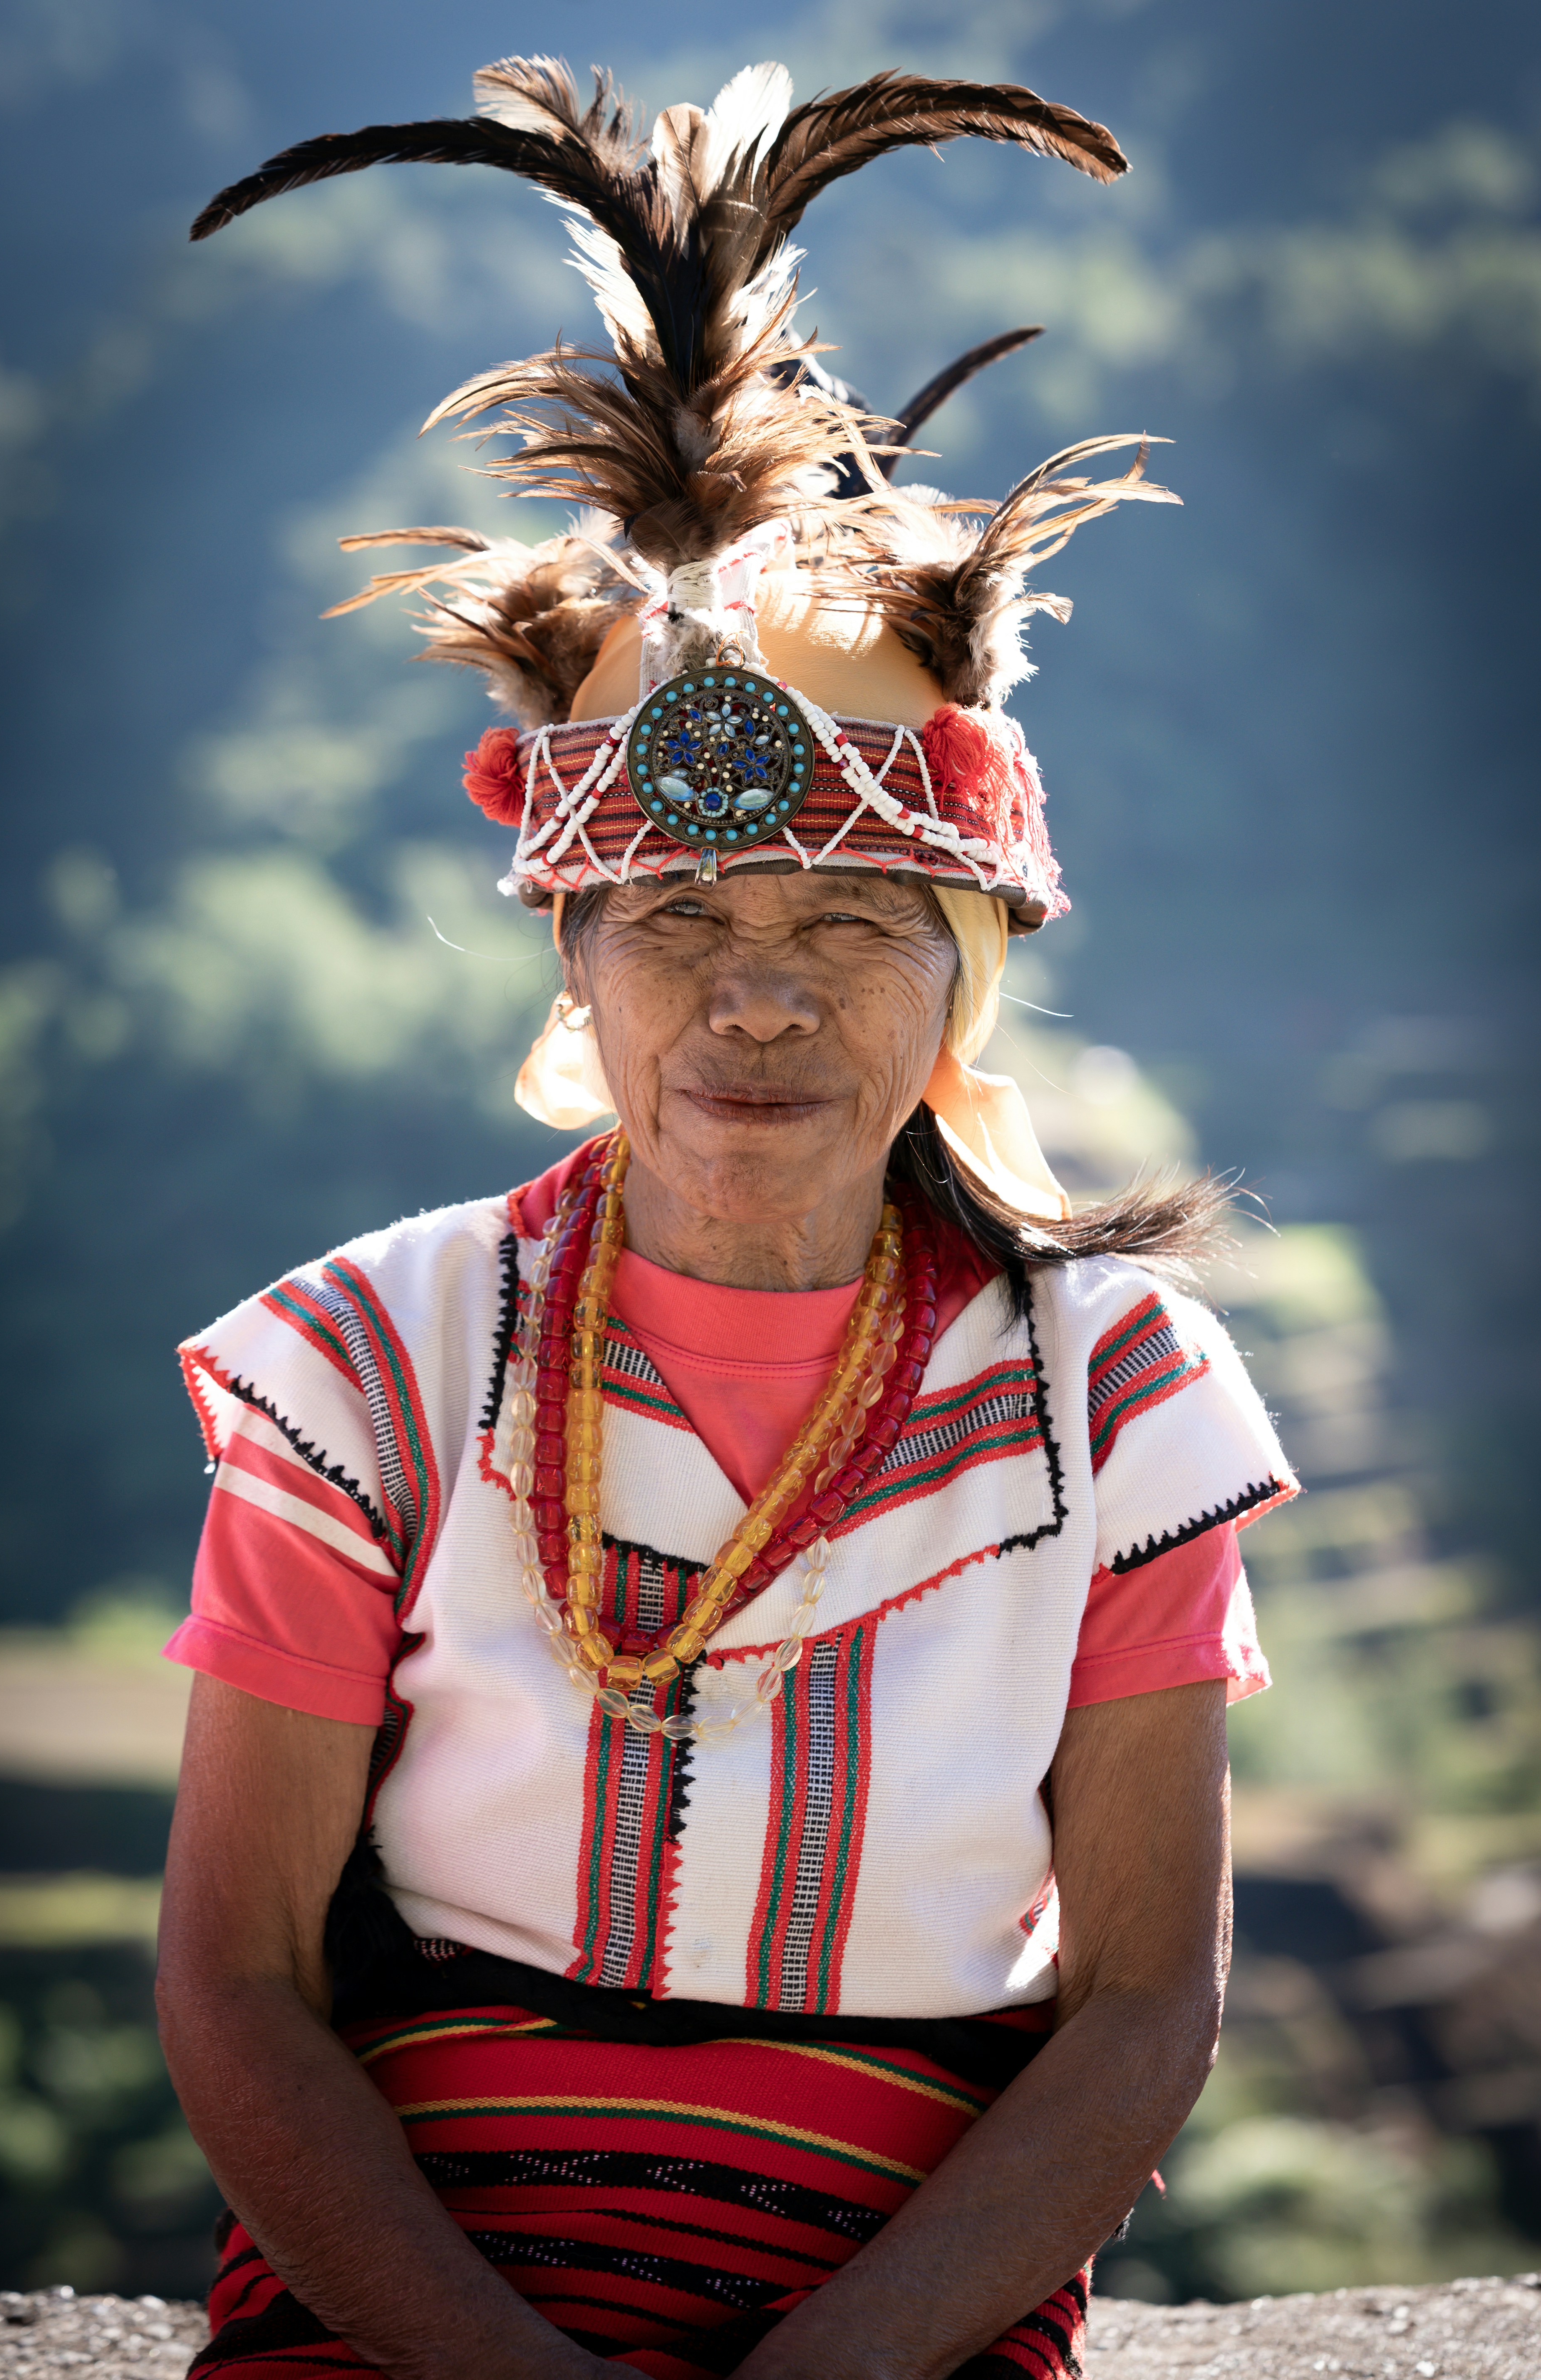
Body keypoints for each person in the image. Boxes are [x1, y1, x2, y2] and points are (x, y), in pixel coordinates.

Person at [158, 55, 1296, 2380]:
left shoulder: (1122, 1398)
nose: (755, 995)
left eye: (850, 923)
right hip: (412, 2295)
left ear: (959, 972)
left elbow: (1144, 1991)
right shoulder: (372, 1361)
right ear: (568, 963)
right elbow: (234, 1974)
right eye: (669, 916)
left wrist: (842, 2367)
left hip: (909, 2299)